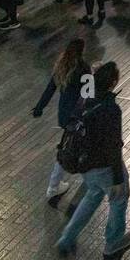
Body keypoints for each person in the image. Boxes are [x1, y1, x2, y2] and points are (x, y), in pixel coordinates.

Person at [55, 61, 130, 260]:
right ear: (113, 82)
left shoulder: (86, 97)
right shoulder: (110, 109)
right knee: (119, 199)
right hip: (105, 167)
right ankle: (113, 243)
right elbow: (113, 146)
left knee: (92, 196)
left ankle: (66, 238)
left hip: (85, 164)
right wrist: (117, 178)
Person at [33, 37, 90, 205]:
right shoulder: (84, 68)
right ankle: (55, 186)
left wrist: (39, 107)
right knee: (78, 147)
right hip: (78, 116)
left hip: (64, 116)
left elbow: (50, 89)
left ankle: (55, 186)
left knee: (67, 146)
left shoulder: (61, 66)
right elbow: (89, 93)